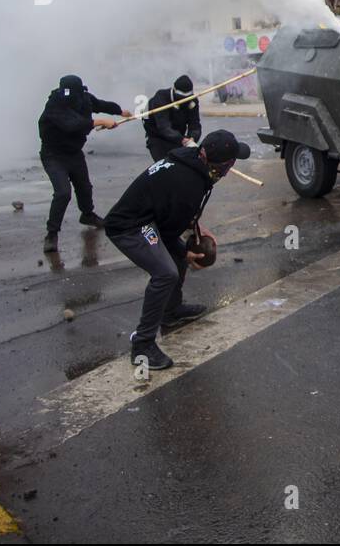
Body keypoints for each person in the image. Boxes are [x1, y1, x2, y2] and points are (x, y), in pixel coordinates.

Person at [104, 130, 250, 370]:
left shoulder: (192, 158)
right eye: (232, 163)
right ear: (222, 166)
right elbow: (168, 231)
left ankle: (171, 311)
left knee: (175, 260)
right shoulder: (188, 184)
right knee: (165, 273)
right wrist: (186, 252)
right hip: (129, 226)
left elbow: (175, 213)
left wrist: (197, 228)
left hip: (148, 218)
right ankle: (142, 344)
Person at [38, 75, 131, 254]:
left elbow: (100, 104)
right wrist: (102, 121)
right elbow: (72, 125)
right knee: (63, 193)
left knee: (84, 187)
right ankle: (52, 234)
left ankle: (87, 215)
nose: (68, 98)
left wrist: (120, 111)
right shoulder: (55, 105)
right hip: (53, 155)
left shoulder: (84, 99)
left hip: (73, 153)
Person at [144, 75, 203, 162]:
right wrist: (181, 139)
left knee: (183, 165)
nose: (184, 101)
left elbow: (195, 124)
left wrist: (192, 138)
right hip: (158, 138)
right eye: (182, 98)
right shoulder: (161, 98)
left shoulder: (192, 101)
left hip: (179, 138)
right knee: (164, 165)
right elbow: (164, 127)